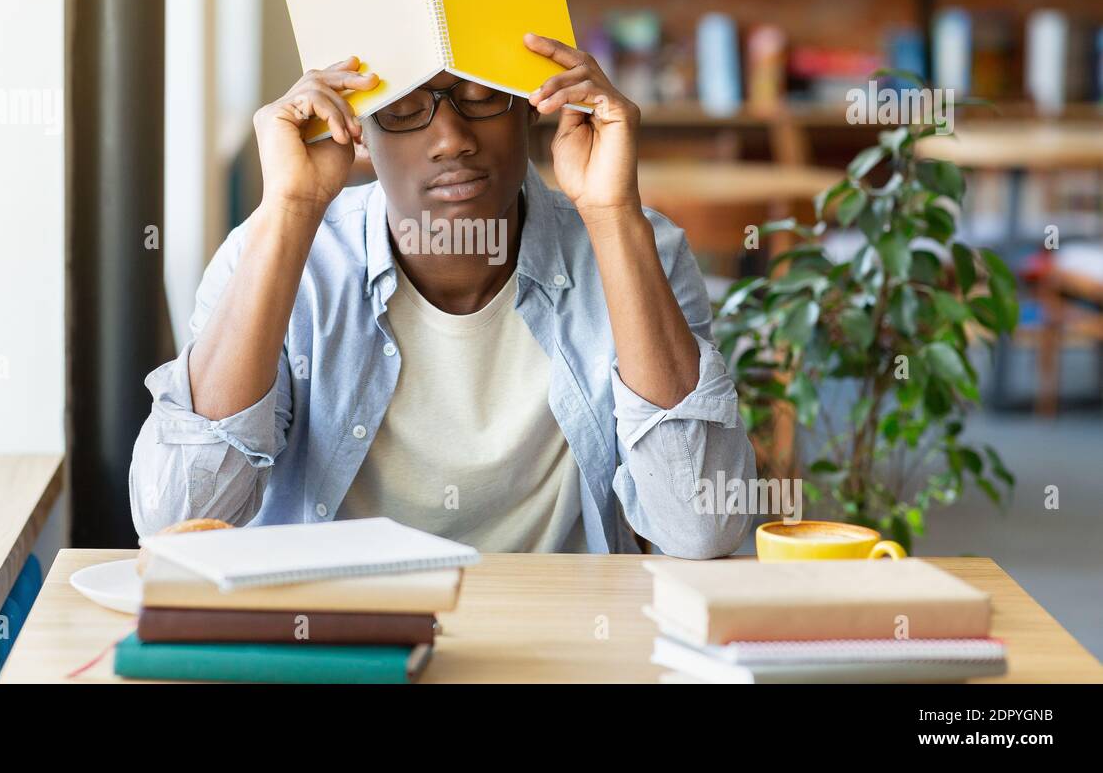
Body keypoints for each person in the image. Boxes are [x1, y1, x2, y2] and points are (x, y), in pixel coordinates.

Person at [129, 33, 756, 556]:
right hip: (333, 647)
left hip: (561, 643)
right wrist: (291, 208)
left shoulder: (634, 248)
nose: (452, 137)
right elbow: (179, 519)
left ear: (530, 107)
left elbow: (700, 524)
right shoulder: (269, 256)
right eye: (403, 108)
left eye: (481, 95)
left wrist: (613, 213)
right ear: (357, 132)